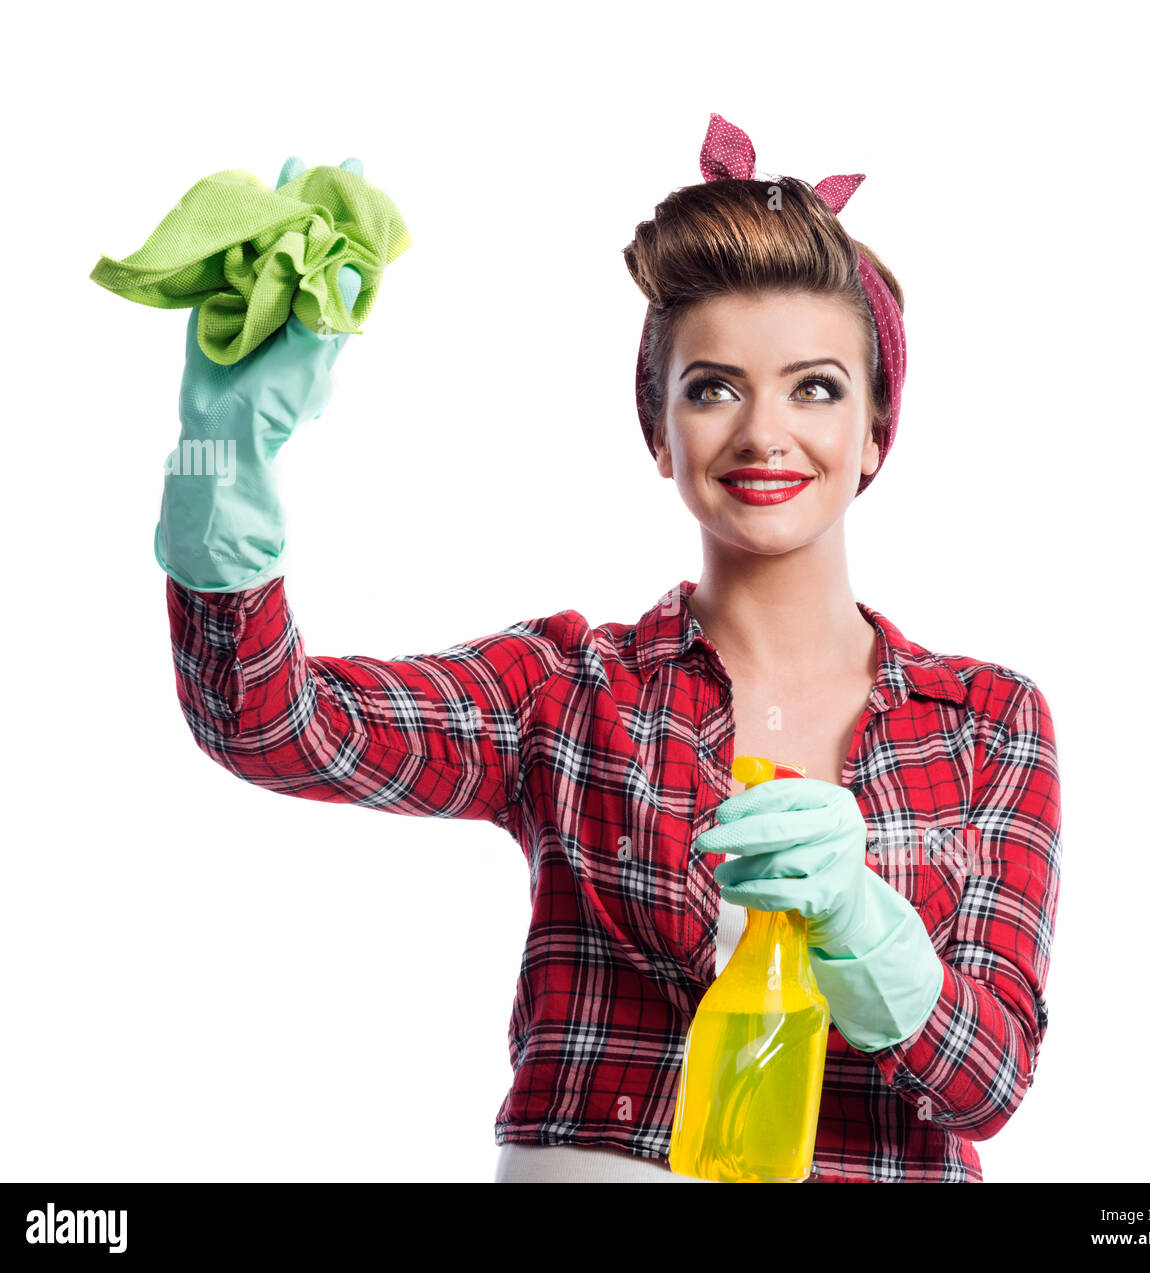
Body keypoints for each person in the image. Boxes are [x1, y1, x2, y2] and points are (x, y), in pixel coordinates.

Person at [151, 117, 1062, 1183]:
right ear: (655, 430)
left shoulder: (986, 721)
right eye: (711, 387)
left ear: (874, 431)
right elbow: (269, 723)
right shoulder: (566, 693)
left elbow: (988, 1082)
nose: (764, 431)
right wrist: (225, 459)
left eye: (815, 386)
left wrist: (867, 922)